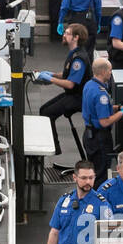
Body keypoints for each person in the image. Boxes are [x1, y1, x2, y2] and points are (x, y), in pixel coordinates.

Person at [38, 23, 91, 152]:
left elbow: (70, 83)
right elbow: (69, 74)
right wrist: (53, 74)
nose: (64, 35)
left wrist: (50, 79)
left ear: (76, 37)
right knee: (43, 109)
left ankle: (54, 148)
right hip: (72, 94)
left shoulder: (79, 59)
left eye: (67, 33)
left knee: (47, 113)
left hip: (78, 98)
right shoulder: (73, 53)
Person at [79, 57, 121, 181]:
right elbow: (104, 121)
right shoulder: (101, 94)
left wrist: (117, 108)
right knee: (101, 174)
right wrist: (121, 114)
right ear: (103, 72)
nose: (110, 73)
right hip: (100, 139)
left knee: (93, 171)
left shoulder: (89, 85)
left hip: (89, 135)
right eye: (109, 70)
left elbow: (96, 110)